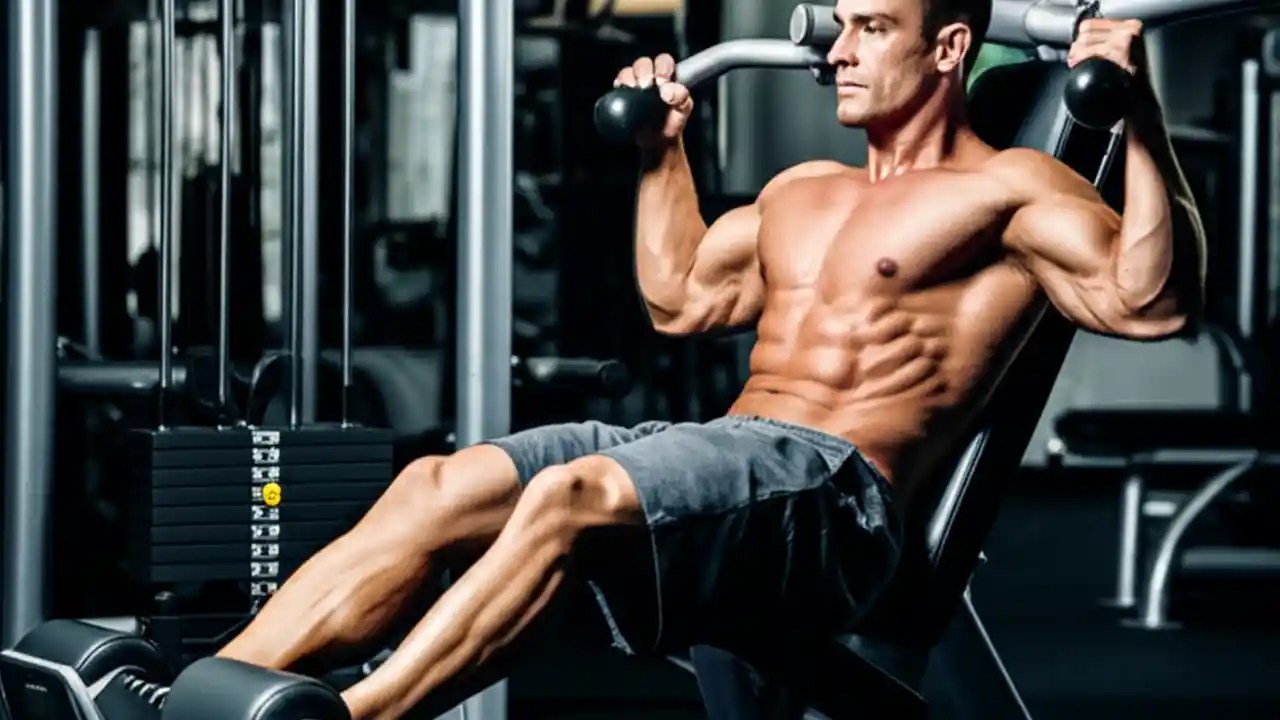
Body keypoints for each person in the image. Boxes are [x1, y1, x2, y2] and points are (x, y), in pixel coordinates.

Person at [207, 0, 1205, 717]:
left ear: (948, 46)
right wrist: (664, 157)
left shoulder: (1010, 187)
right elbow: (681, 298)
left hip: (834, 497)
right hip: (730, 453)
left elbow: (1148, 302)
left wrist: (1138, 117)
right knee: (440, 482)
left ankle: (356, 717)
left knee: (573, 499)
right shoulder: (798, 189)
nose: (838, 52)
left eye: (869, 29)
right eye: (838, 26)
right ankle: (199, 692)